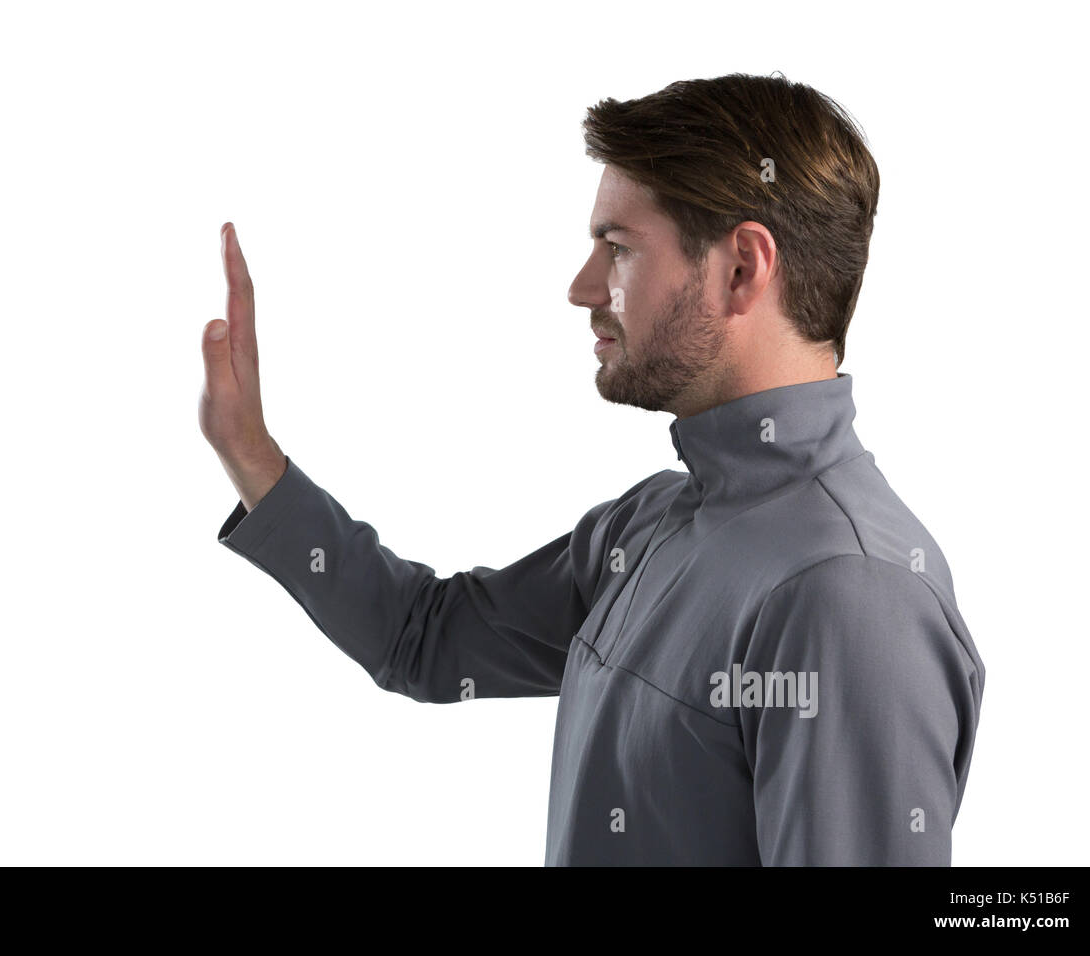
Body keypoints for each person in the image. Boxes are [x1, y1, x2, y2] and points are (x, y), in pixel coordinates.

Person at [198, 73, 985, 866]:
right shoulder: (651, 526)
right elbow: (425, 639)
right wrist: (251, 454)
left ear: (743, 268)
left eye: (618, 248)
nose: (582, 288)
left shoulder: (850, 594)